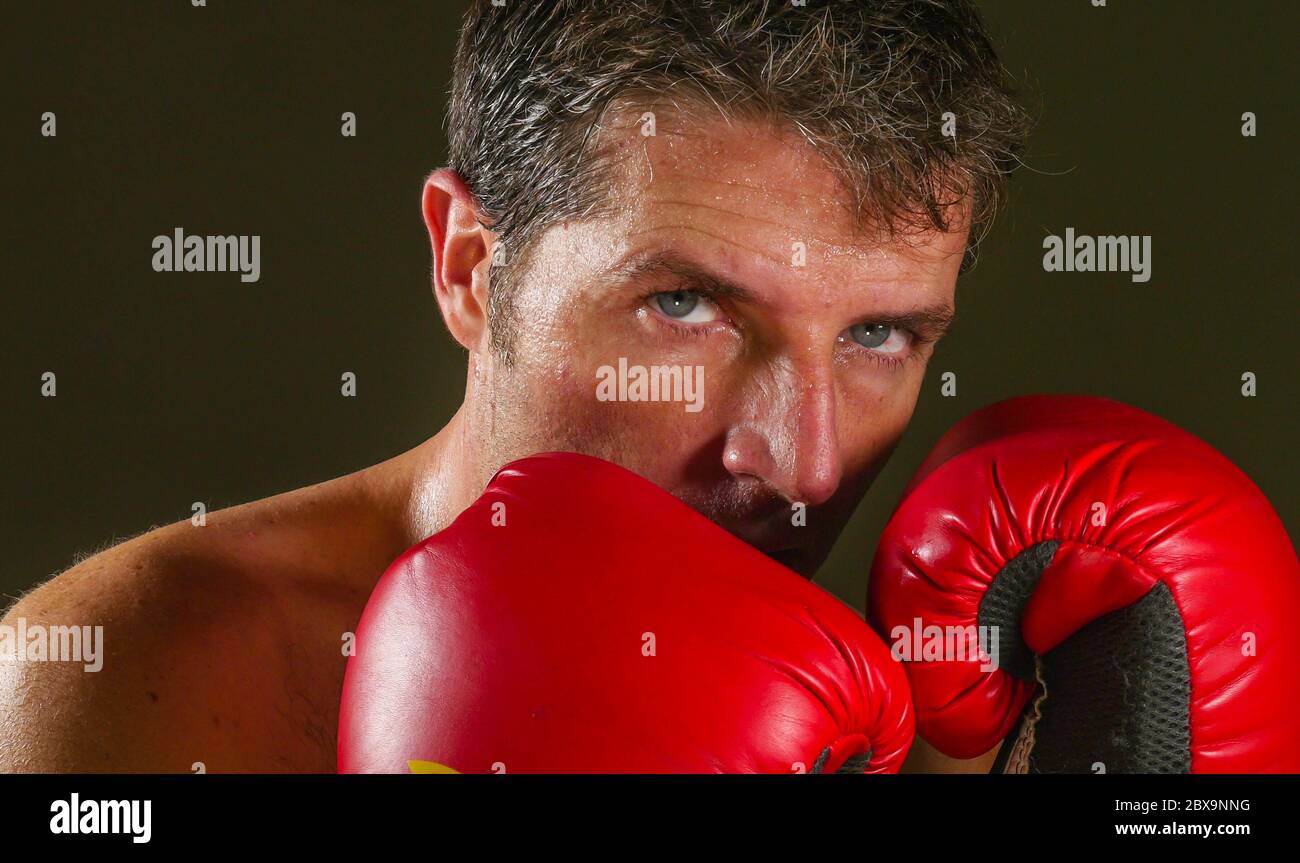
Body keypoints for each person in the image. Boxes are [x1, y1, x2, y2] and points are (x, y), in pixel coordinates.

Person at [0, 0, 1028, 773]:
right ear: (468, 268)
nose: (802, 463)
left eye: (878, 332)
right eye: (684, 306)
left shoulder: (959, 710)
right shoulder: (129, 678)